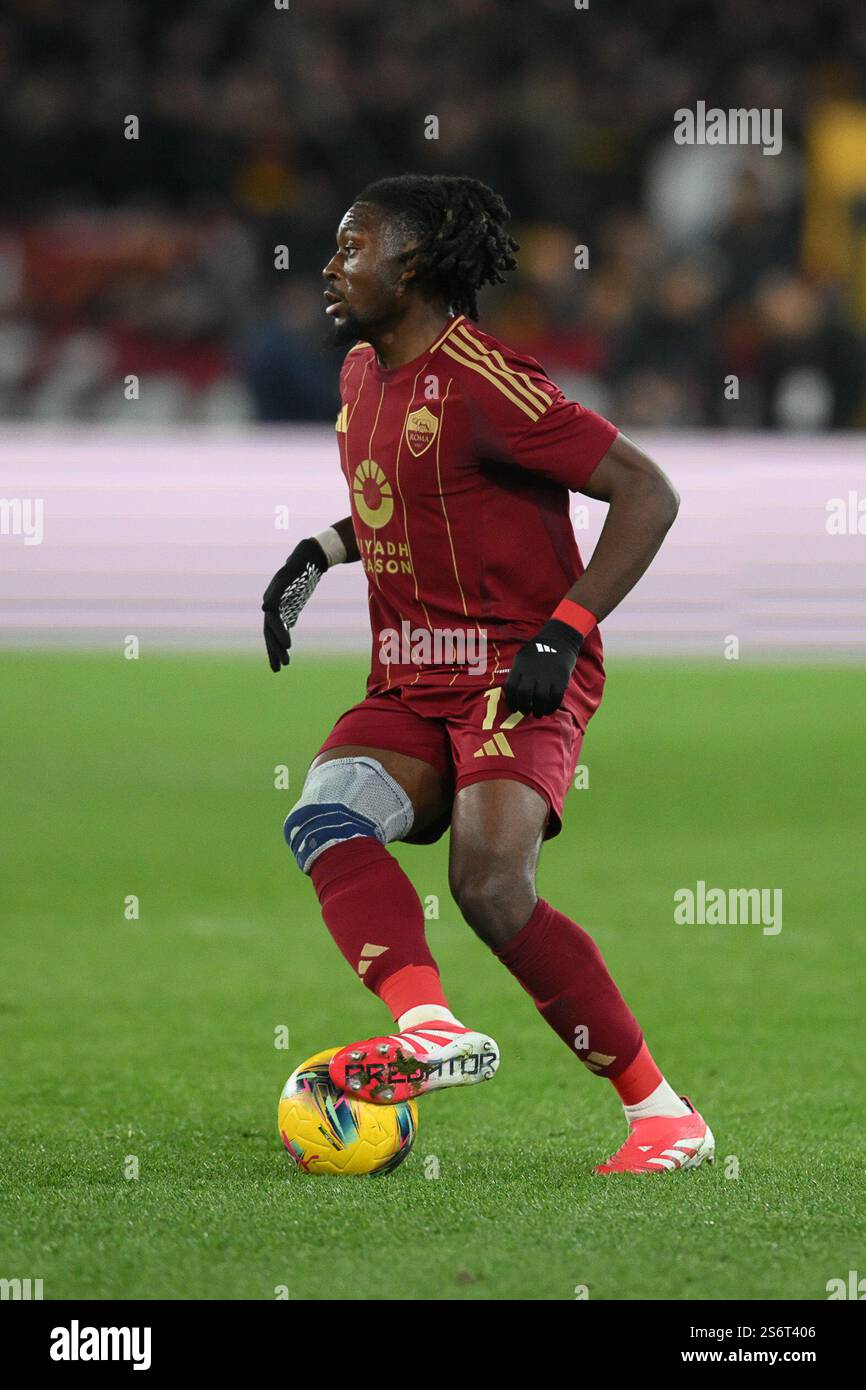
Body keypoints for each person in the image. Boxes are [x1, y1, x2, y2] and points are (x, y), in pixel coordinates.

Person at [262, 174, 713, 1174]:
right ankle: (429, 1027)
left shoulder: (487, 381)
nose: (330, 266)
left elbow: (646, 490)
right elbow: (409, 500)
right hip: (409, 675)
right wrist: (320, 554)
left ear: (413, 265)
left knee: (489, 886)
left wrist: (565, 629)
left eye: (351, 246)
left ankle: (662, 1115)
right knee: (324, 817)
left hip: (515, 670)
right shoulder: (357, 376)